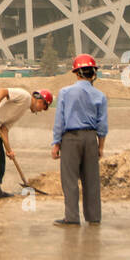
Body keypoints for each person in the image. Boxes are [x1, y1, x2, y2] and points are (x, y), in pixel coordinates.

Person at [50, 55, 107, 225]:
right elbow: (102, 124)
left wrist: (56, 143)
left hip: (70, 139)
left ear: (76, 73)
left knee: (70, 180)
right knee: (92, 180)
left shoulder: (65, 92)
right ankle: (94, 217)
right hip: (90, 138)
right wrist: (100, 146)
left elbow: (59, 120)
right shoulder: (100, 95)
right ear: (93, 73)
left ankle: (72, 217)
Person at [0, 86, 53, 202]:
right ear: (40, 101)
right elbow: (3, 91)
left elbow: (4, 129)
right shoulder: (25, 96)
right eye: (43, 108)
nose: (40, 111)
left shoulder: (22, 109)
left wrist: (9, 150)